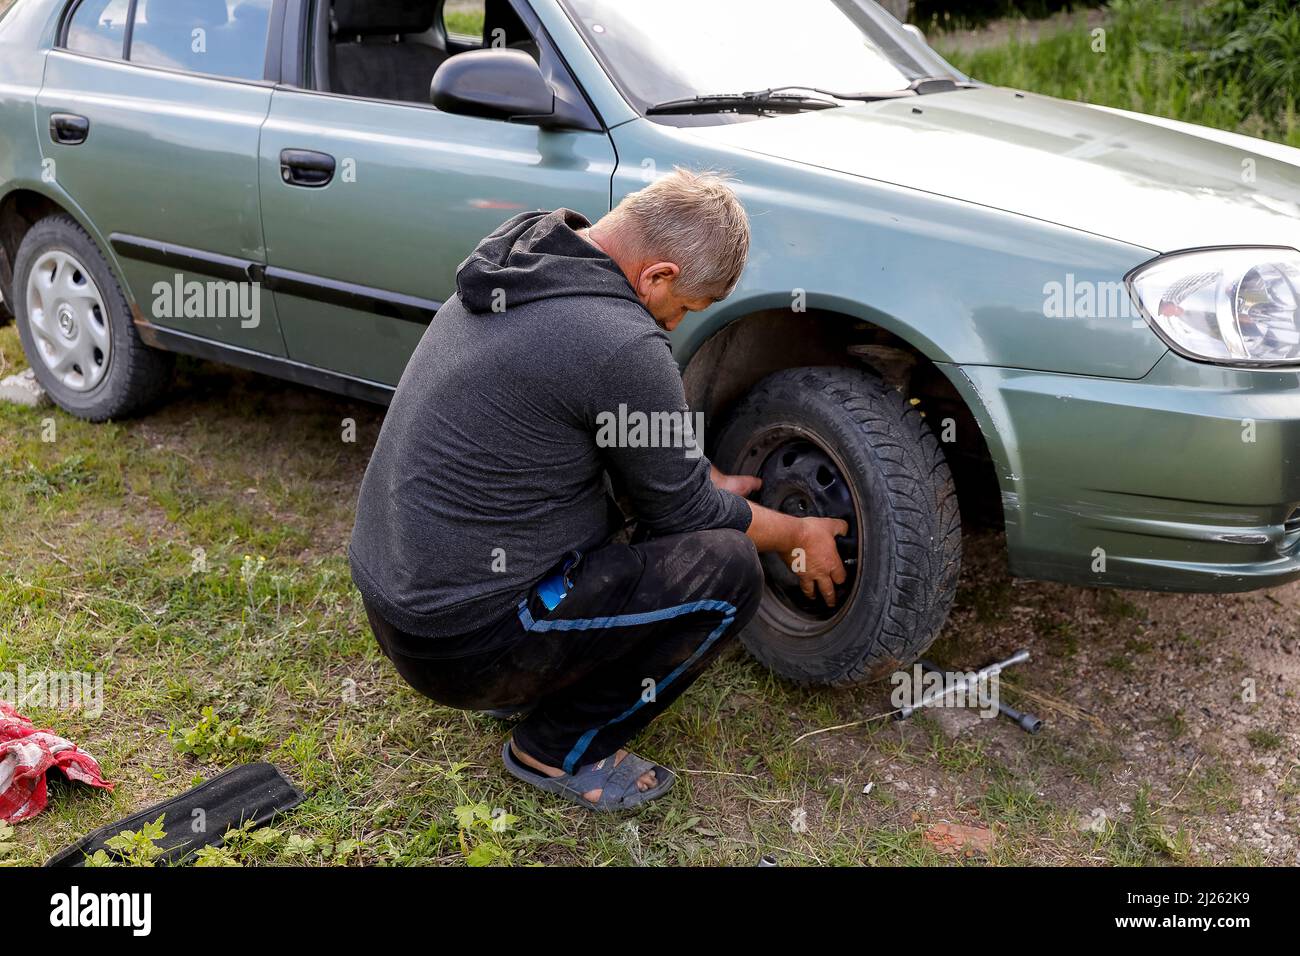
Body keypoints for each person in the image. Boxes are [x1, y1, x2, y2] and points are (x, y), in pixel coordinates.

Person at [349, 168, 847, 811]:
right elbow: (684, 512)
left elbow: (612, 438)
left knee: (658, 516)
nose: (674, 325)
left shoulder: (532, 255)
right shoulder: (622, 341)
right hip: (460, 645)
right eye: (686, 308)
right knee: (729, 568)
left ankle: (534, 672)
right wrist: (798, 533)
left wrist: (693, 475)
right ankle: (558, 748)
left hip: (399, 605)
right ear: (658, 276)